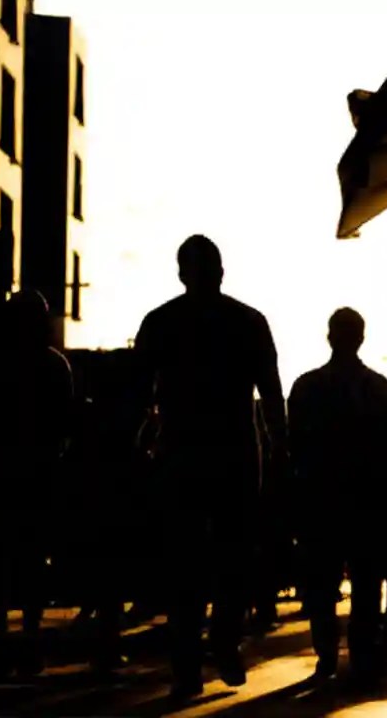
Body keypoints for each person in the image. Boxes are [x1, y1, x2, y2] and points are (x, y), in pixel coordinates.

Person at [133, 235, 287, 699]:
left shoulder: (160, 322)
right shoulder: (249, 321)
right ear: (221, 272)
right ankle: (224, 637)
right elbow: (272, 393)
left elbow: (136, 396)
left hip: (181, 452)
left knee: (183, 561)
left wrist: (137, 445)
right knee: (234, 554)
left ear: (182, 274)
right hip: (235, 452)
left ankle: (187, 666)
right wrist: (279, 449)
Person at [288, 307, 387, 682]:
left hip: (321, 497)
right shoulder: (379, 388)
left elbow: (293, 445)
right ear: (362, 338)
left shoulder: (307, 387)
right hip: (368, 499)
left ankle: (326, 654)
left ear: (329, 336)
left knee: (322, 583)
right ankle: (361, 652)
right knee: (367, 581)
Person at [0, 291, 73, 678]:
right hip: (37, 473)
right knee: (31, 559)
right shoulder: (53, 365)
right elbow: (65, 425)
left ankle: (3, 637)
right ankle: (27, 636)